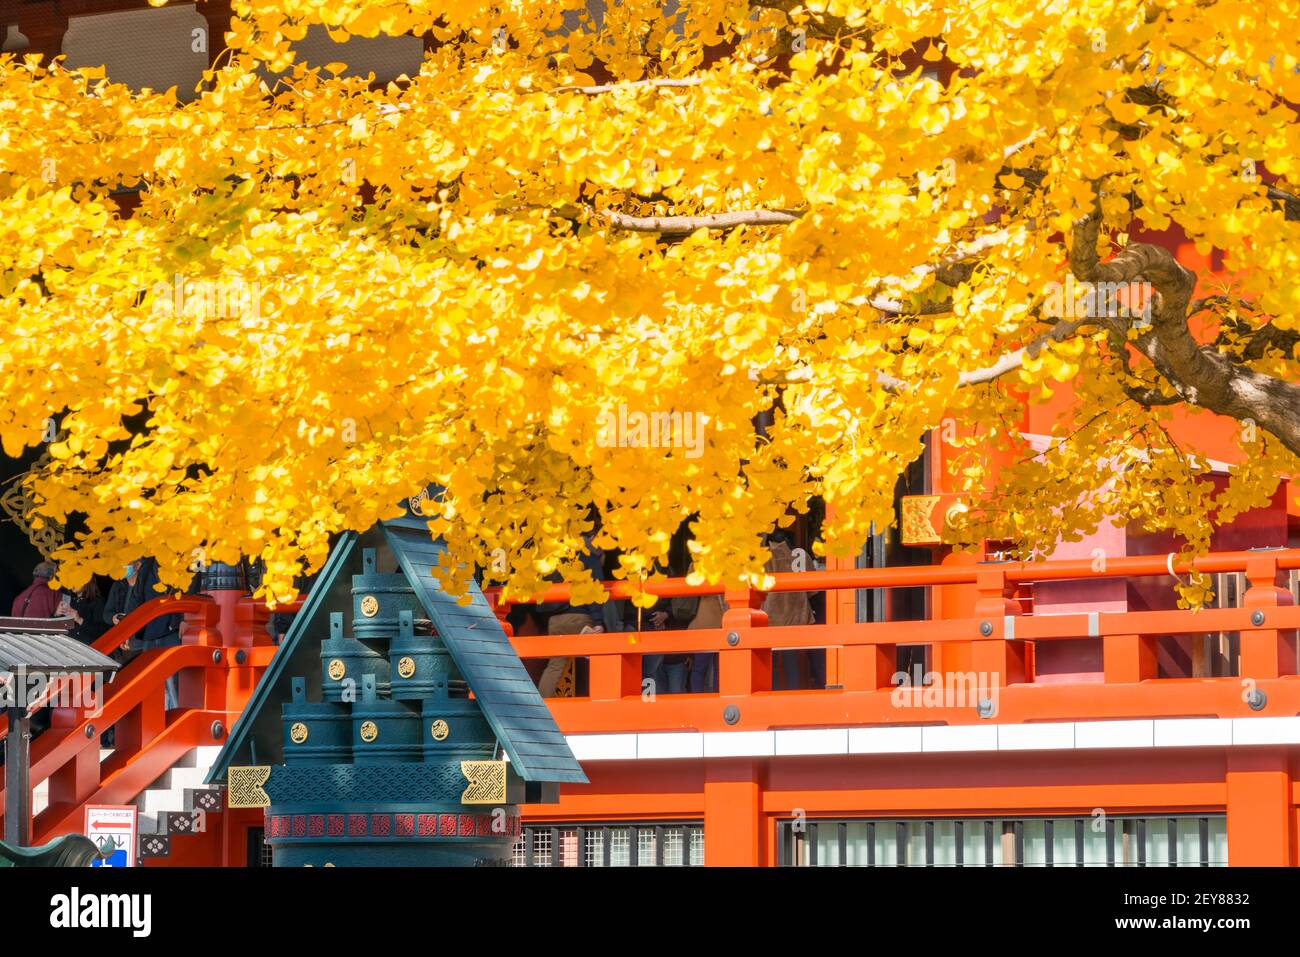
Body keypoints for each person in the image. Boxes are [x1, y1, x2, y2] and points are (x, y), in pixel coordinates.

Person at [103, 558, 186, 709]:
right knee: (153, 686)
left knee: (174, 685)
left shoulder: (178, 559)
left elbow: (188, 588)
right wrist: (127, 630)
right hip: (149, 633)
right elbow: (136, 601)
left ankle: (176, 720)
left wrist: (184, 618)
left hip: (171, 631)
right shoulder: (147, 567)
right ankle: (159, 725)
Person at [536, 536, 607, 698]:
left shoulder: (554, 558)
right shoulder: (589, 557)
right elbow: (594, 590)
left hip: (555, 620)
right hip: (579, 617)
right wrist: (598, 622)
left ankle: (542, 703)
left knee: (555, 664)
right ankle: (602, 701)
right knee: (600, 658)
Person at [763, 531, 825, 690]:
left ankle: (773, 695)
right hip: (797, 616)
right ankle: (793, 693)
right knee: (791, 660)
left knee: (772, 661)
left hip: (771, 618)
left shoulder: (764, 557)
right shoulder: (801, 555)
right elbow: (813, 590)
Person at [670, 564, 727, 693]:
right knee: (714, 666)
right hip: (717, 617)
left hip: (709, 619)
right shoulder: (719, 559)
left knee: (706, 667)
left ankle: (706, 696)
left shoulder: (700, 561)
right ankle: (716, 697)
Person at [58, 580, 108, 645]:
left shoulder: (98, 602)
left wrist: (80, 620)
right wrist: (57, 614)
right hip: (68, 645)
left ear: (86, 581)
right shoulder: (71, 600)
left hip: (86, 649)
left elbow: (102, 631)